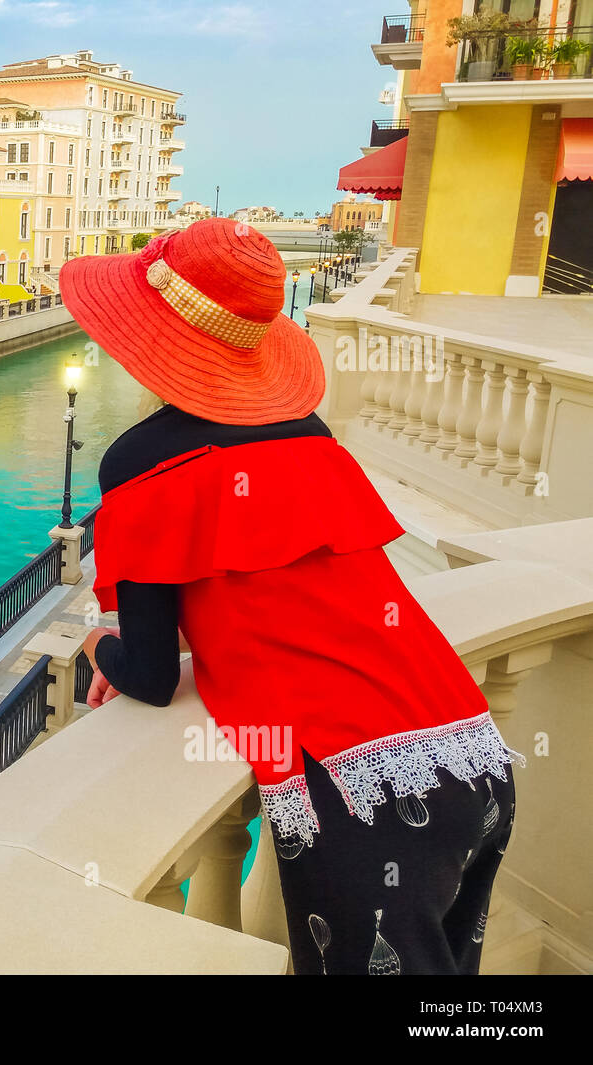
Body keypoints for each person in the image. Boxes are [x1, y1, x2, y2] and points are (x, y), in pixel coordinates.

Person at [58, 219, 521, 975]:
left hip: (361, 795)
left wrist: (95, 644)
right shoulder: (311, 435)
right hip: (472, 751)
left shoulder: (139, 463)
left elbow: (143, 671)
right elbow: (277, 583)